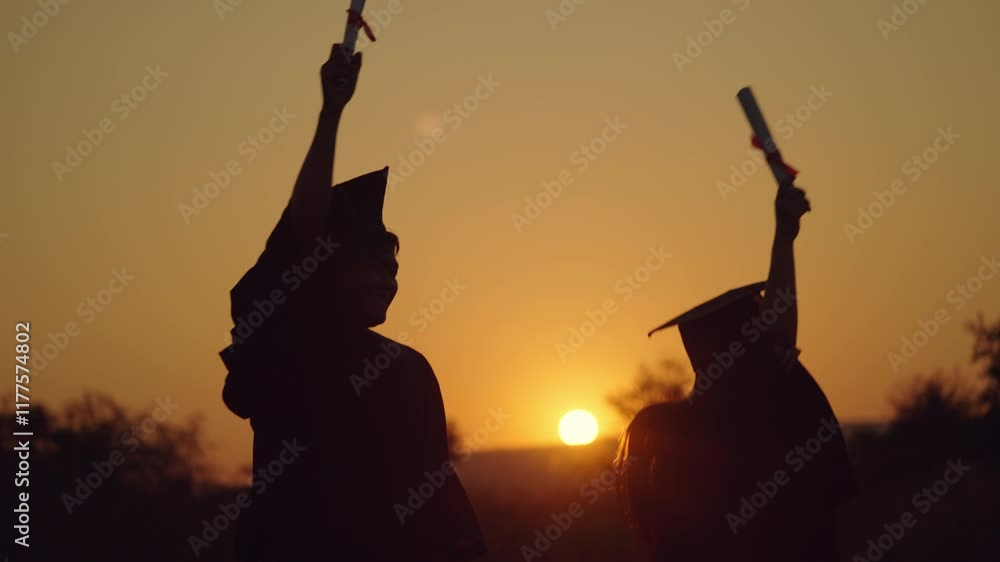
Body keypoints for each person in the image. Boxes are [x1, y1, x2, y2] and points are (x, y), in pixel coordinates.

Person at [218, 43, 485, 561]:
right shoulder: (290, 345)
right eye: (375, 266)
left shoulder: (407, 369)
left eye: (394, 271)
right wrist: (330, 114)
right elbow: (300, 231)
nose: (388, 281)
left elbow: (436, 494)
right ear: (324, 266)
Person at [616, 182, 858, 561]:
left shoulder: (691, 432)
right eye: (757, 323)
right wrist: (784, 236)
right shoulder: (757, 412)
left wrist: (784, 235)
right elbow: (780, 331)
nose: (775, 337)